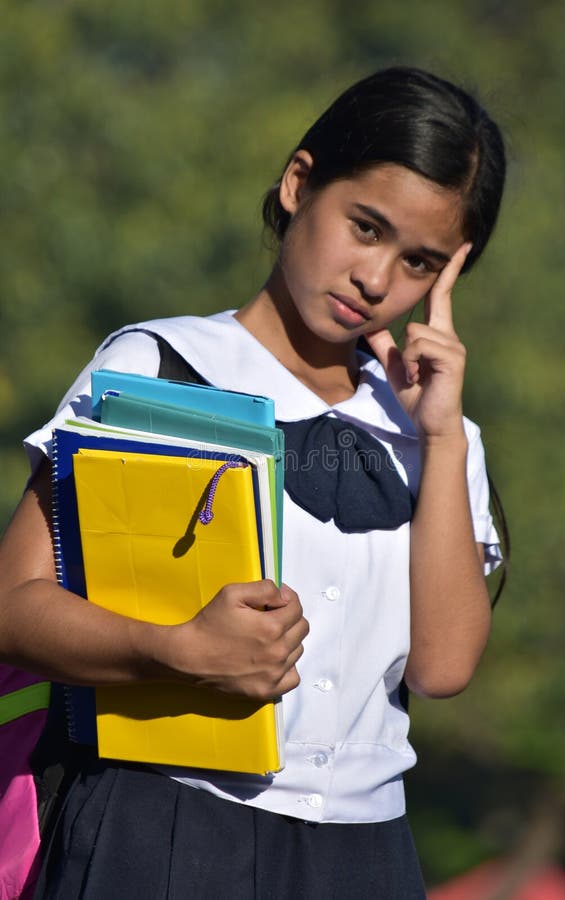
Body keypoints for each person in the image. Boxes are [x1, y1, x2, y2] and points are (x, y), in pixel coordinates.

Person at [0, 66, 506, 898]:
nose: (376, 280)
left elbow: (443, 668)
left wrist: (443, 438)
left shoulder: (439, 431)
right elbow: (14, 608)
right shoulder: (158, 368)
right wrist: (177, 652)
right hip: (160, 830)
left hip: (362, 859)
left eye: (418, 261)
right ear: (300, 183)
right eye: (366, 227)